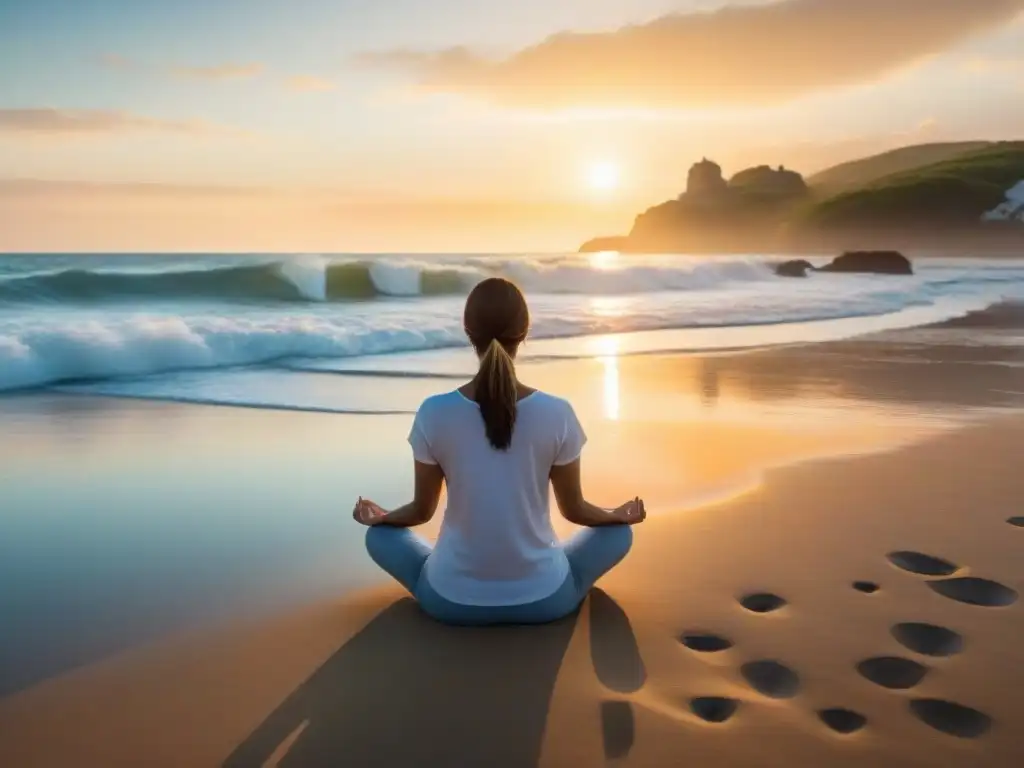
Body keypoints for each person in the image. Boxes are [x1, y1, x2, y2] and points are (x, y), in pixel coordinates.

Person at [352, 277, 645, 625]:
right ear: (525, 332)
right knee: (619, 533)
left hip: (448, 602)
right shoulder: (558, 412)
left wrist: (383, 518)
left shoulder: (434, 411)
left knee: (379, 538)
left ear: (467, 331)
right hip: (546, 600)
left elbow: (421, 511)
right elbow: (575, 510)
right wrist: (616, 515)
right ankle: (546, 569)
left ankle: (451, 567)